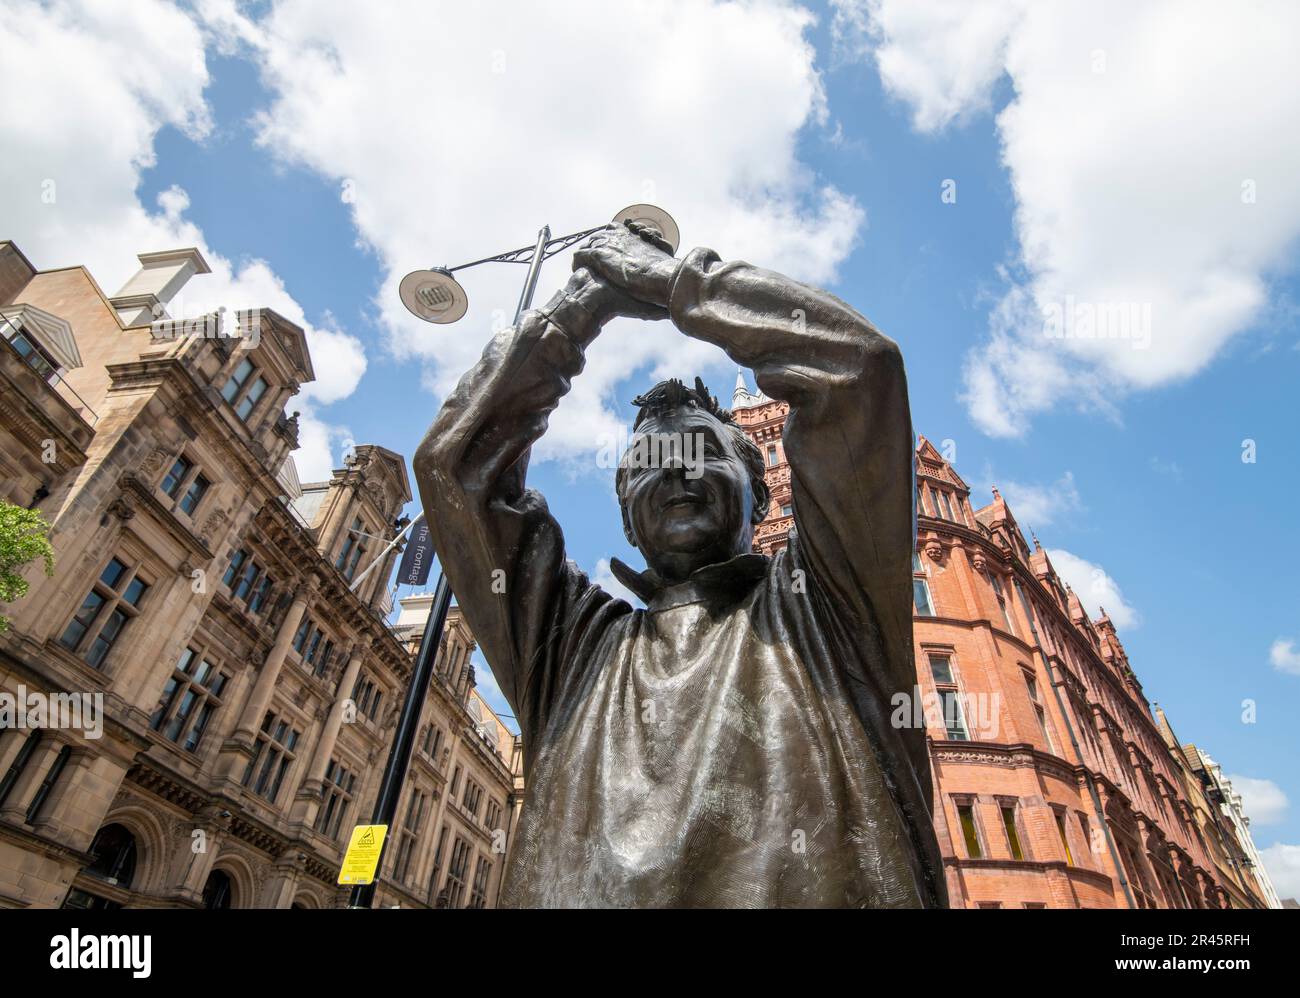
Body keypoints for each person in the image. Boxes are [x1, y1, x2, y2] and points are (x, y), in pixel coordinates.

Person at [414, 221, 944, 907]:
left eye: (702, 452)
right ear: (628, 517)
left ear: (761, 496)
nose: (676, 474)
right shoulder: (567, 648)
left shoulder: (831, 609)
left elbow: (859, 370)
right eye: (650, 465)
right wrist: (573, 314)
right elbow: (454, 469)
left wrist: (670, 282)